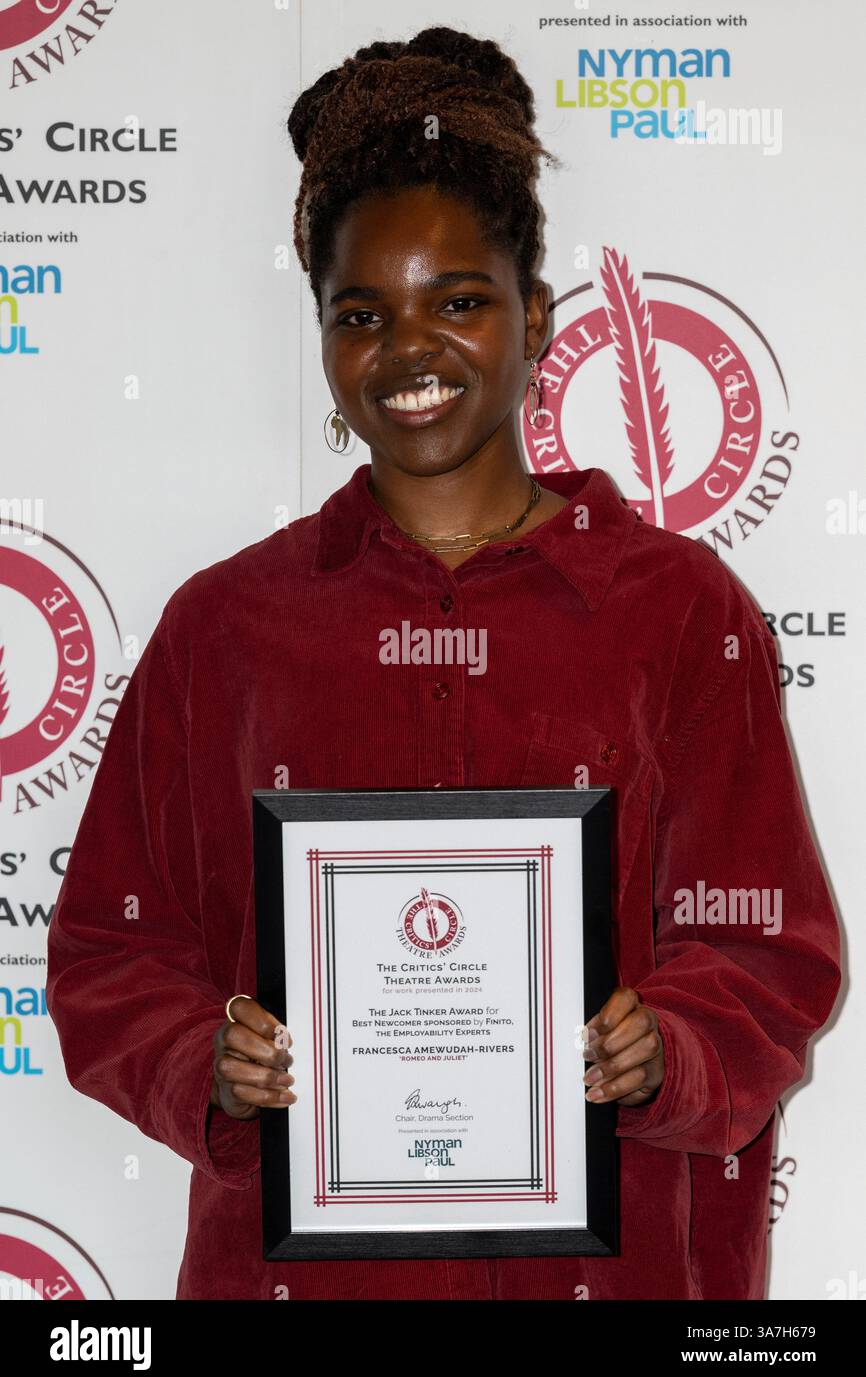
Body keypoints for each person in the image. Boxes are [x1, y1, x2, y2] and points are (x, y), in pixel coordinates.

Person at [46, 26, 840, 1301]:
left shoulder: (680, 611)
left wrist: (670, 1049)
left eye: (458, 300)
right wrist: (207, 1057)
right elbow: (105, 950)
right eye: (361, 313)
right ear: (321, 339)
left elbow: (768, 945)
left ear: (533, 317)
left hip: (617, 1269)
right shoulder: (226, 627)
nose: (408, 350)